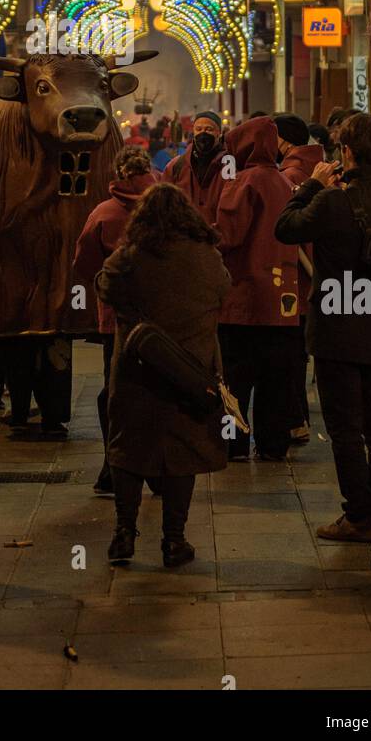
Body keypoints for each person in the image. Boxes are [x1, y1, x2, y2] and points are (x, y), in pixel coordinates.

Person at [274, 112, 371, 542]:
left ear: (346, 152)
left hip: (338, 325)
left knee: (345, 428)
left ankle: (359, 515)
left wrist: (313, 183)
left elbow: (286, 227)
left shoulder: (333, 200)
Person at [96, 183, 231, 567]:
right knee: (182, 452)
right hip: (190, 372)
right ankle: (174, 541)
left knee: (128, 448)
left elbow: (105, 285)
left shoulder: (133, 255)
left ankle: (123, 534)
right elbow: (223, 290)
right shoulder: (206, 256)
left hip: (136, 371)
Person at [73, 146, 157, 496]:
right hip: (160, 319)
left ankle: (115, 468)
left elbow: (84, 262)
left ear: (119, 173)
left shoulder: (104, 213)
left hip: (118, 320)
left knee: (117, 391)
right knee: (155, 390)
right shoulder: (165, 209)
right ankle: (158, 467)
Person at [216, 116, 300, 461]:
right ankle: (273, 444)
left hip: (245, 297)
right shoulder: (282, 181)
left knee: (235, 377)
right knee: (275, 378)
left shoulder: (243, 181)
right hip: (283, 298)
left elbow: (228, 235)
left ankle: (233, 443)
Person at [274, 114, 323, 444]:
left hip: (296, 277)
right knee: (296, 353)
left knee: (289, 355)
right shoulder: (316, 169)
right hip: (312, 276)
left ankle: (294, 419)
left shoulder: (289, 175)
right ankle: (298, 417)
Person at [163, 110, 228, 224]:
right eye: (198, 129)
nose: (203, 133)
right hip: (185, 237)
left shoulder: (229, 165)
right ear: (193, 132)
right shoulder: (176, 166)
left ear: (219, 133)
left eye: (209, 129)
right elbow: (164, 204)